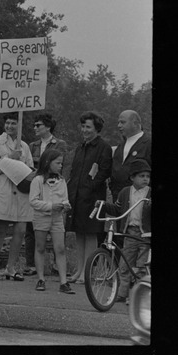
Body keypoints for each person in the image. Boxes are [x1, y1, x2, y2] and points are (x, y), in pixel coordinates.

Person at [0, 114, 34, 281]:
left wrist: (23, 166)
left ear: (19, 125)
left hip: (20, 193)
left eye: (14, 123)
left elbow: (30, 169)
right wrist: (9, 159)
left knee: (20, 230)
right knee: (0, 229)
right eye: (8, 122)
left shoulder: (24, 146)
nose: (10, 126)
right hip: (4, 192)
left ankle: (11, 267)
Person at [67, 111, 113, 283]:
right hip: (77, 196)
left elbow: (103, 172)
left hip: (93, 198)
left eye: (88, 127)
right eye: (83, 126)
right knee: (79, 232)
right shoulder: (80, 147)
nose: (84, 130)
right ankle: (79, 271)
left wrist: (89, 188)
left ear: (96, 128)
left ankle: (88, 273)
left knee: (91, 233)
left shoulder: (104, 147)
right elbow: (74, 171)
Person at [23, 113, 69, 276]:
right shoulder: (32, 145)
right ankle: (32, 264)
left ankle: (58, 265)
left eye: (38, 125)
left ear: (48, 127)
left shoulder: (59, 144)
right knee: (32, 227)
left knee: (57, 229)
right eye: (34, 125)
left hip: (54, 187)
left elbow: (62, 166)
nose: (35, 128)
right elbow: (27, 165)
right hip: (37, 186)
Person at [28, 149, 75, 294]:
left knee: (60, 248)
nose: (61, 166)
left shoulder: (61, 181)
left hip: (57, 217)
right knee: (40, 247)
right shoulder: (38, 180)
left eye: (62, 163)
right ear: (48, 163)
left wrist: (65, 205)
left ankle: (63, 282)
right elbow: (33, 201)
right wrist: (50, 206)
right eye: (58, 163)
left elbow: (64, 197)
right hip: (41, 217)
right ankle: (41, 278)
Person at [109, 158, 151, 303]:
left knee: (141, 265)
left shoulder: (150, 193)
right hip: (129, 233)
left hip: (145, 235)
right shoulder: (125, 192)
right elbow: (117, 209)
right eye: (141, 176)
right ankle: (122, 293)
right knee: (125, 263)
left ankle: (136, 296)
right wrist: (103, 205)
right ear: (132, 177)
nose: (145, 179)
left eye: (147, 176)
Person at [109, 110, 152, 200]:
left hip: (140, 201)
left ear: (135, 123)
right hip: (119, 200)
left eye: (123, 122)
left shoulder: (148, 144)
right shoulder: (120, 147)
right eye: (118, 122)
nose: (119, 126)